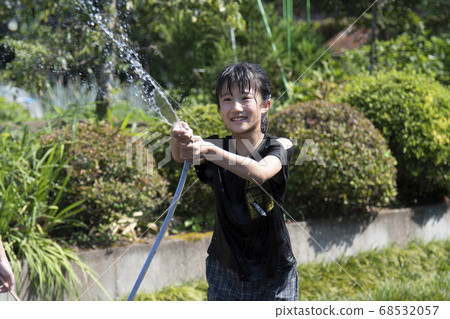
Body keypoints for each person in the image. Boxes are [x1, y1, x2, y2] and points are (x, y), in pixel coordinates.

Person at [170, 62, 298, 301]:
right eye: (227, 99)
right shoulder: (217, 148)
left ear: (265, 105)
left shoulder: (278, 146)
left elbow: (259, 172)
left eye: (245, 98)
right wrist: (177, 137)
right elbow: (180, 155)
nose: (236, 107)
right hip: (224, 268)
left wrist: (208, 149)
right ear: (220, 107)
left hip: (274, 273)